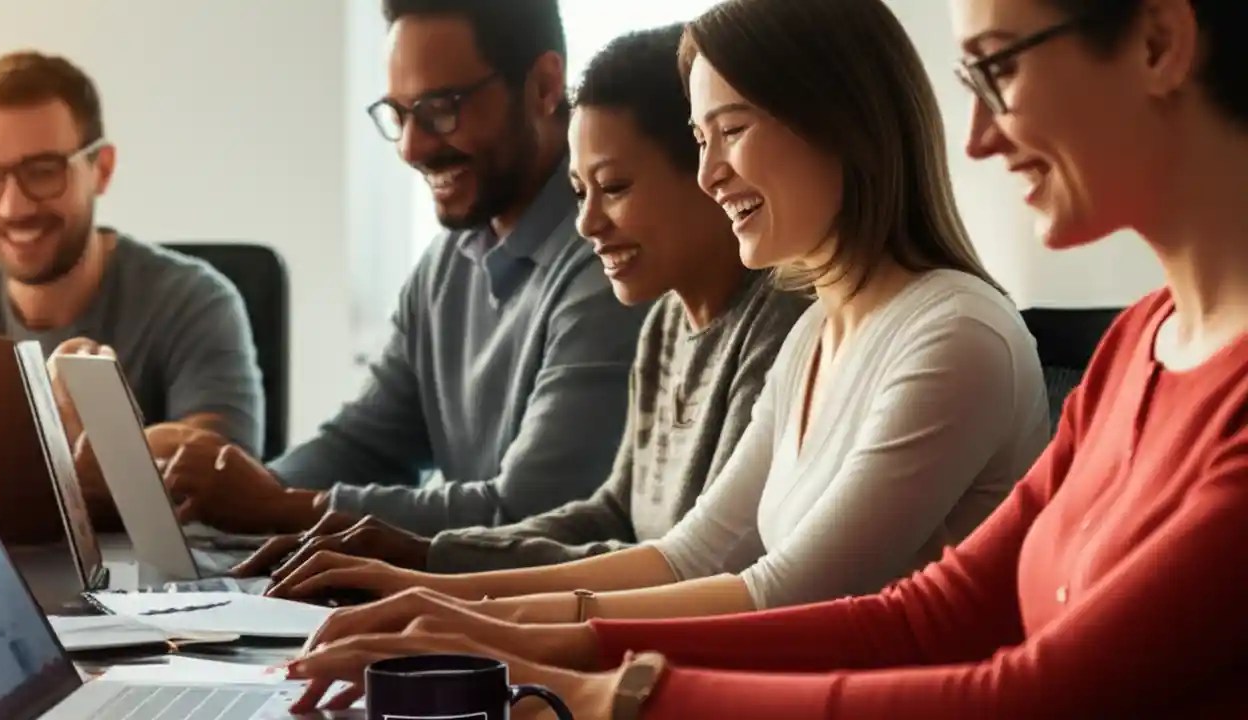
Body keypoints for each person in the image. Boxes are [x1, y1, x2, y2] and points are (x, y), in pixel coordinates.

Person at [286, 0, 1248, 717]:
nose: (982, 136)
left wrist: (590, 685)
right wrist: (495, 632)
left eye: (997, 71)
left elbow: (1028, 691)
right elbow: (921, 615)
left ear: (1160, 43)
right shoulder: (1134, 345)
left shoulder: (961, 334)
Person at [268, 0, 1047, 636]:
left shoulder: (953, 336)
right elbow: (687, 554)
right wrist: (429, 590)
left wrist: (483, 620)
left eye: (731, 133)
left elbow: (779, 597)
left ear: (841, 121)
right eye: (702, 139)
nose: (710, 175)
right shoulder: (818, 330)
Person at [229, 24, 809, 582]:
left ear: (709, 175)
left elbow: (691, 563)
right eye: (580, 192)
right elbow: (610, 514)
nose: (587, 224)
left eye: (615, 188)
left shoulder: (780, 325)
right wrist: (425, 555)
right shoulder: (663, 324)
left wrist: (436, 572)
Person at [162, 0, 651, 536]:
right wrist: (224, 496)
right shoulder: (447, 265)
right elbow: (365, 443)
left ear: (543, 86)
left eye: (441, 108)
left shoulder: (614, 262)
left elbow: (531, 512)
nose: (412, 147)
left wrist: (279, 508)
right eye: (399, 114)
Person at [0, 50, 264, 527]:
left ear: (101, 169)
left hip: (159, 593)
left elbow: (218, 474)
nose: (12, 206)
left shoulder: (195, 299)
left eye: (43, 171)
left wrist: (89, 440)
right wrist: (93, 454)